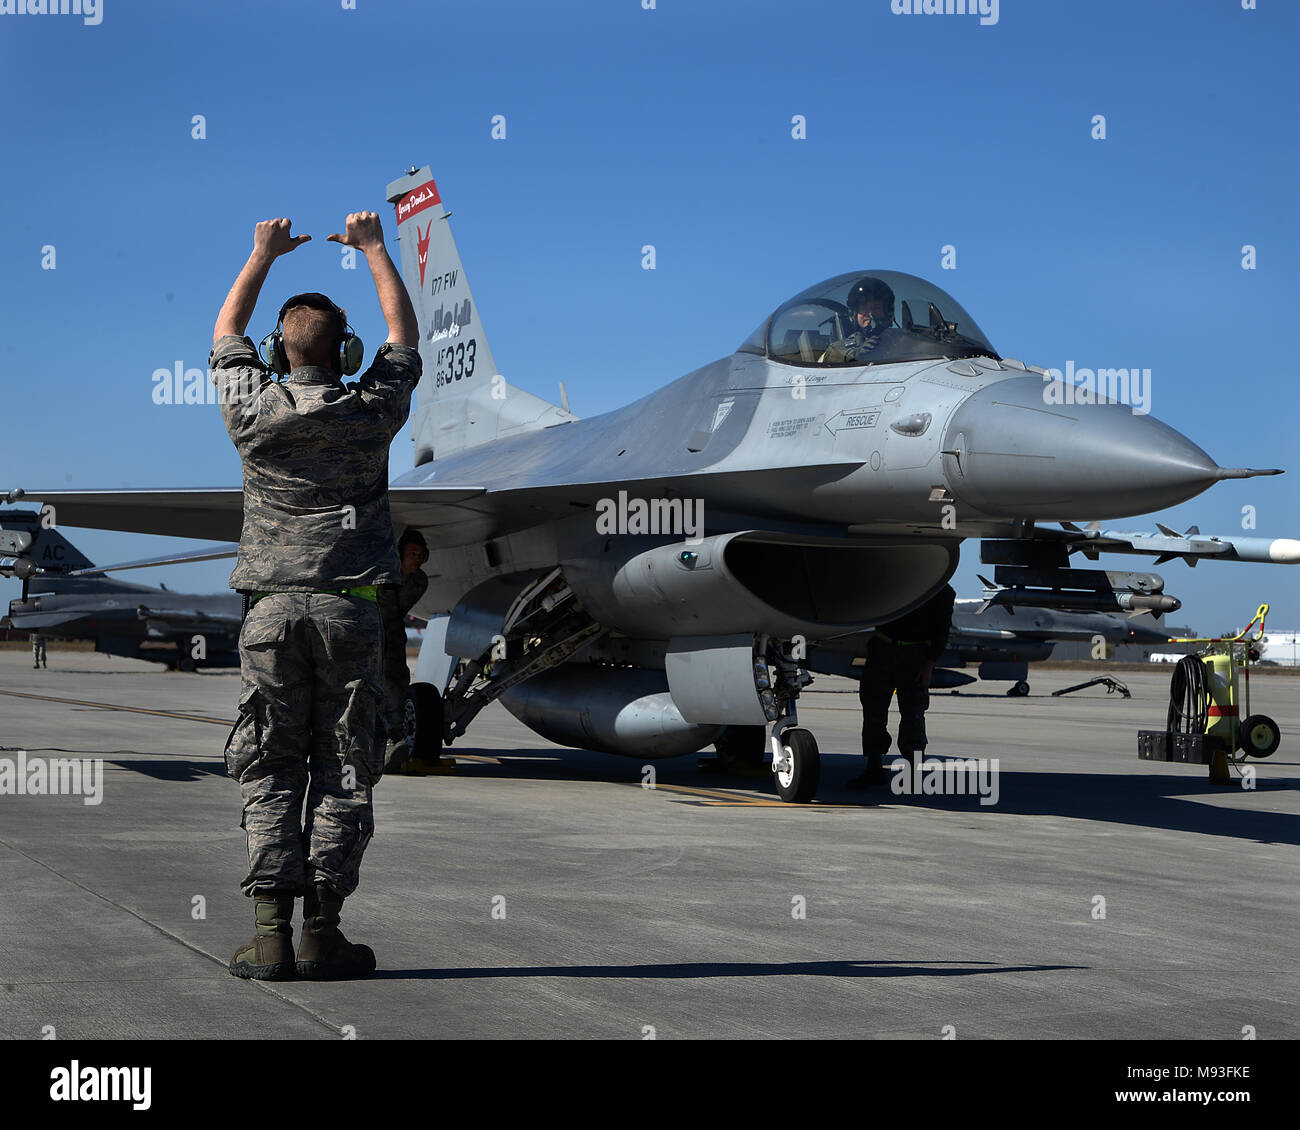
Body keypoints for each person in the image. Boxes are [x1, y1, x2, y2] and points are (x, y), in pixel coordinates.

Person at [211, 212, 420, 980]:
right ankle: (320, 934)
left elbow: (227, 327)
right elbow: (405, 339)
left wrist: (260, 251)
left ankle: (268, 936)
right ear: (347, 353)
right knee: (343, 767)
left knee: (269, 766)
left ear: (277, 353)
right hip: (351, 613)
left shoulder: (250, 411)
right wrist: (374, 249)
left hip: (269, 613)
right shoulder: (371, 413)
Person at [848, 583, 955, 789]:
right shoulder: (893, 577)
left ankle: (913, 772)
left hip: (914, 657)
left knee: (913, 714)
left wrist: (929, 665)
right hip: (882, 650)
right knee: (873, 710)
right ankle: (874, 767)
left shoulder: (941, 590)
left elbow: (942, 631)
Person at [379, 527, 445, 776]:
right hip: (373, 632)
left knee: (398, 682)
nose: (416, 559)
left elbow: (397, 610)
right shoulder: (384, 575)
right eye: (412, 553)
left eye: (420, 555)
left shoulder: (419, 580)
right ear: (400, 554)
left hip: (393, 635)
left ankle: (394, 739)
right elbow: (384, 610)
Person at [820, 275, 898, 363]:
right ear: (854, 314)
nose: (870, 314)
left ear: (888, 313)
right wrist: (855, 355)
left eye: (876, 308)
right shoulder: (838, 349)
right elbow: (828, 364)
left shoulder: (902, 340)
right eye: (864, 308)